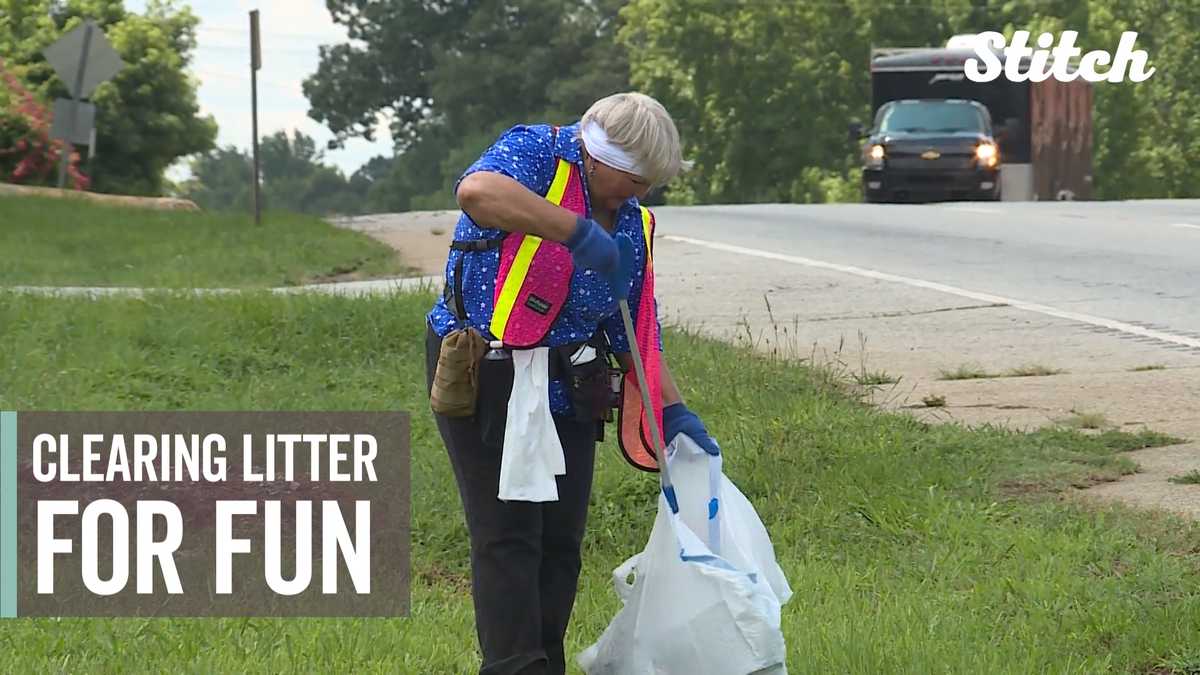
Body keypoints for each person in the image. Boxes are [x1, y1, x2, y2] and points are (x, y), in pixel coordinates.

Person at [424, 92, 721, 675]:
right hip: (489, 371)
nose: (639, 193)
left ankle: (546, 663)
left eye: (649, 183)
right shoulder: (539, 152)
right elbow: (476, 194)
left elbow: (637, 326)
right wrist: (574, 231)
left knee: (560, 542)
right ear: (600, 154)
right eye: (634, 178)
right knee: (508, 536)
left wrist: (677, 412)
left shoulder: (633, 225)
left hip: (571, 383)